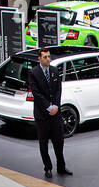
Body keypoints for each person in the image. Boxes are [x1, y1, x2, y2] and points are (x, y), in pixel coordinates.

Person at [28, 49, 72, 178]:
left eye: (49, 57)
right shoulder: (33, 73)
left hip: (56, 113)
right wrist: (48, 107)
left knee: (59, 141)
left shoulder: (54, 70)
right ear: (39, 59)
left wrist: (56, 106)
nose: (48, 59)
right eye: (45, 57)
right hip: (42, 115)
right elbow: (36, 93)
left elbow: (58, 89)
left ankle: (61, 167)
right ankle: (48, 167)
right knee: (43, 143)